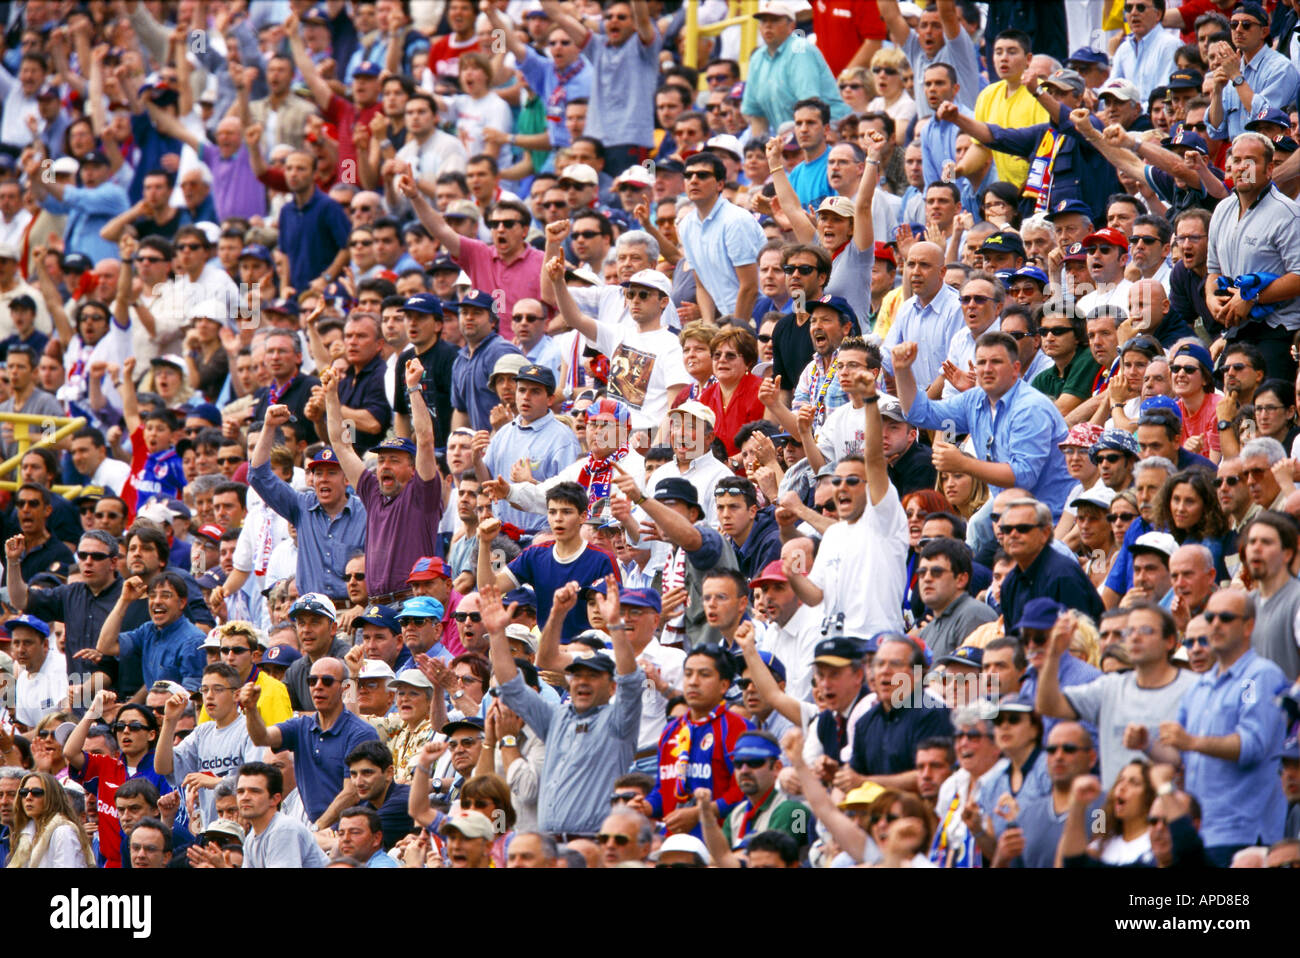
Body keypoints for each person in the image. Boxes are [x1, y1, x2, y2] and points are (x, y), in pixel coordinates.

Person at [488, 580, 644, 839]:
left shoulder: (619, 720)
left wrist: (615, 625)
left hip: (592, 846)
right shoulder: (556, 718)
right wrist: (496, 635)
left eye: (592, 676)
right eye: (576, 675)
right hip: (550, 847)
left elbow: (631, 680)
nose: (582, 681)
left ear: (612, 687)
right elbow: (511, 686)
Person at [1159, 588, 1290, 864]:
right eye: (1210, 617)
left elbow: (1252, 746)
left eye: (1226, 617)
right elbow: (1177, 755)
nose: (1215, 624)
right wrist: (1145, 745)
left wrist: (1192, 742)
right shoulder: (1199, 687)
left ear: (1248, 626)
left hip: (1243, 835)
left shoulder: (1256, 677)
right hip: (1202, 832)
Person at [894, 333, 1075, 517]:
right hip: (1007, 506)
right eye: (981, 362)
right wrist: (902, 371)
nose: (987, 369)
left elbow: (1023, 476)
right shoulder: (975, 399)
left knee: (977, 528)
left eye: (996, 362)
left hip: (1050, 512)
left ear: (1015, 368)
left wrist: (963, 463)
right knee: (975, 529)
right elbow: (920, 414)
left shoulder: (1030, 407)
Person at [1035, 602, 1198, 787]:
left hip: (1167, 807)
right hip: (1112, 811)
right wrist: (1054, 654)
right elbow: (1048, 705)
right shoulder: (1109, 687)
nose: (1135, 637)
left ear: (1169, 641)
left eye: (1145, 630)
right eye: (1129, 632)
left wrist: (1149, 746)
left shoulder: (1193, 689)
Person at [324, 361, 441, 602]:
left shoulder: (422, 494)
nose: (384, 466)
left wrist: (413, 387)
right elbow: (341, 444)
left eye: (394, 460)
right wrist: (332, 395)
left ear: (412, 469)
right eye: (382, 460)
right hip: (375, 606)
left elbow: (425, 439)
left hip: (411, 603)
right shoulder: (372, 493)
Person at [240, 655, 381, 829]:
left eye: (327, 681)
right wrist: (251, 710)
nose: (318, 686)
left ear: (345, 688)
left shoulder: (360, 733)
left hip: (354, 829)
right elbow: (261, 738)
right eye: (312, 681)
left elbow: (352, 793)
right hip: (318, 829)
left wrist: (316, 829)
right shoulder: (300, 727)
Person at [237, 761, 329, 868]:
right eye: (240, 791)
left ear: (275, 799)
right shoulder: (251, 839)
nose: (245, 797)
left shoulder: (284, 828)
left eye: (254, 791)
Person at [5, 770, 92, 868]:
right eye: (24, 792)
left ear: (52, 797)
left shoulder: (63, 832)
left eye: (36, 792)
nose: (28, 797)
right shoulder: (27, 834)